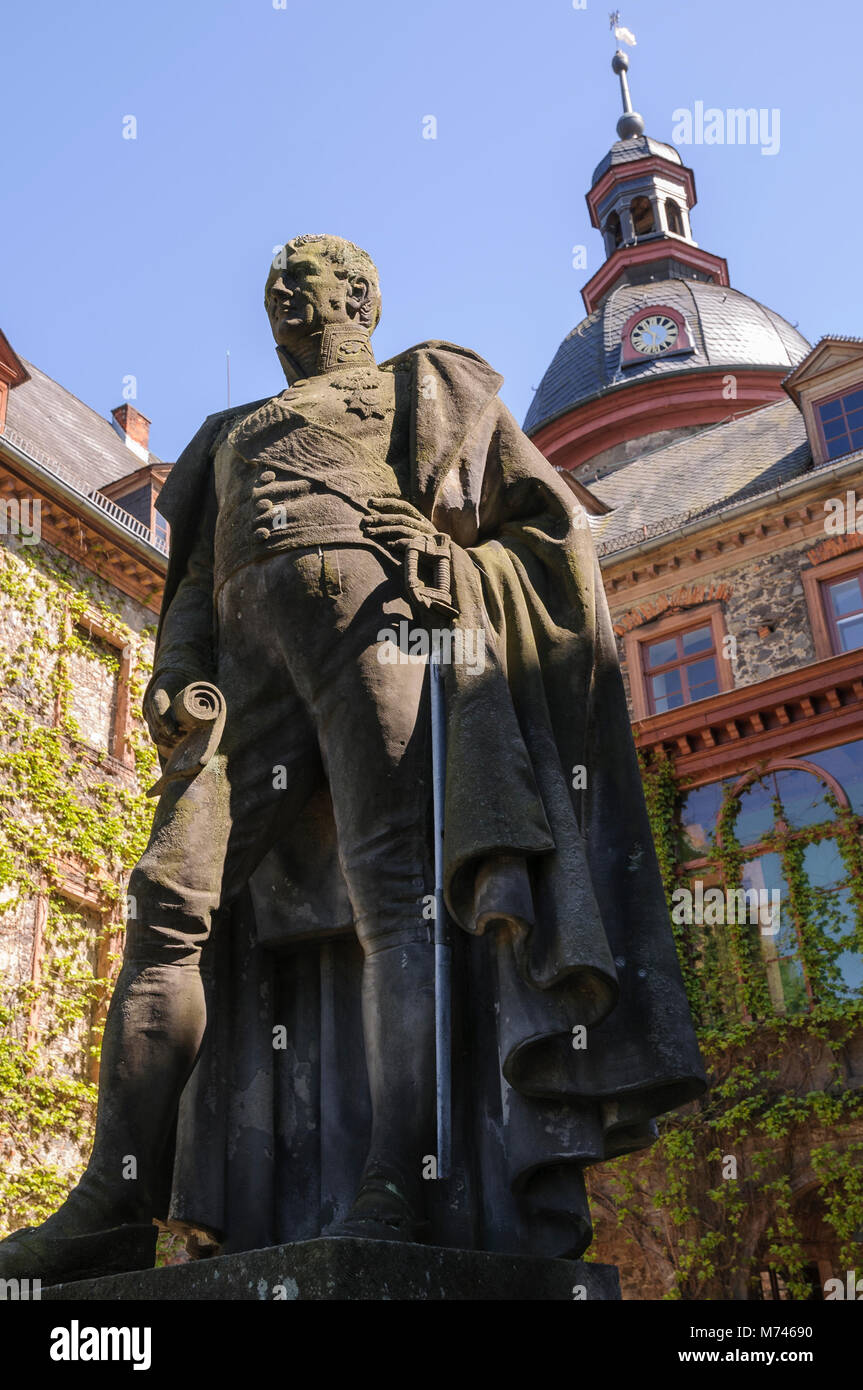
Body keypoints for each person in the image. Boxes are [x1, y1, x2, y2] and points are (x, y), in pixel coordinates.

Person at [0, 235, 704, 1283]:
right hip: (241, 681)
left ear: (364, 296)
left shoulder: (425, 388)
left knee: (399, 898)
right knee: (166, 903)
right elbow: (190, 577)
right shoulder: (225, 434)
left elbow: (553, 545)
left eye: (309, 277)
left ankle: (398, 1177)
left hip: (385, 640)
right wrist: (177, 664)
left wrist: (452, 562)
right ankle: (117, 1195)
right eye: (273, 285)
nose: (284, 293)